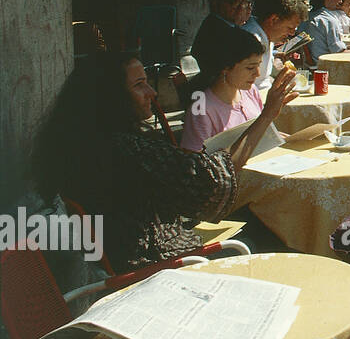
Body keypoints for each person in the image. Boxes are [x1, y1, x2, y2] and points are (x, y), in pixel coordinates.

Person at [31, 52, 298, 271]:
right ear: (111, 97)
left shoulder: (86, 142)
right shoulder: (126, 148)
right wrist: (266, 117)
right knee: (268, 237)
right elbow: (210, 181)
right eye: (138, 85)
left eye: (147, 82)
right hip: (152, 263)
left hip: (127, 253)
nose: (151, 92)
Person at [180, 26, 270, 152]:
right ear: (226, 67)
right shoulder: (201, 108)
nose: (257, 74)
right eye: (250, 68)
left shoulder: (250, 91)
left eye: (258, 65)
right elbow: (195, 159)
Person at [244, 0, 308, 92]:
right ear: (273, 20)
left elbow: (263, 79)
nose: (292, 34)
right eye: (289, 28)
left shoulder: (268, 35)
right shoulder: (251, 39)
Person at [191, 0, 252, 72]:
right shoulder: (216, 29)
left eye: (245, 3)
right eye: (234, 3)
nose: (242, 8)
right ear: (216, 4)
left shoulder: (226, 25)